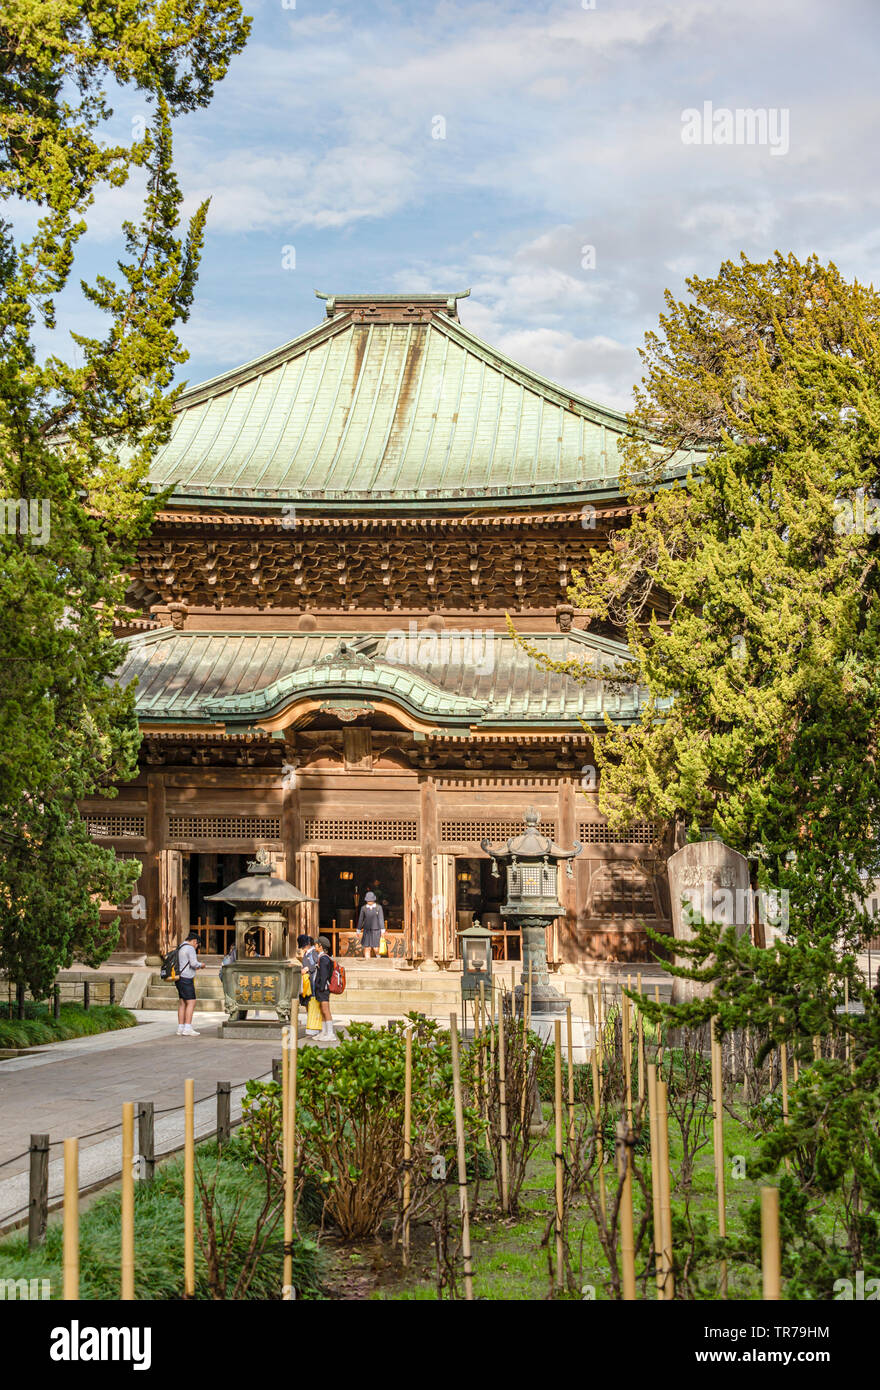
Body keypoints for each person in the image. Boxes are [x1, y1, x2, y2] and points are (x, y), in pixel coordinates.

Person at [176, 930, 206, 1036]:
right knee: (191, 1002)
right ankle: (188, 1027)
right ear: (194, 941)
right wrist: (201, 965)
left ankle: (181, 1027)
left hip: (178, 977)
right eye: (197, 944)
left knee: (182, 1002)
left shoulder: (180, 947)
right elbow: (193, 963)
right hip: (186, 978)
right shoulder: (190, 948)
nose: (197, 946)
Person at [297, 933, 322, 1036]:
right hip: (307, 983)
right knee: (308, 1004)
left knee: (313, 1004)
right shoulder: (307, 953)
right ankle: (311, 1024)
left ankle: (314, 1026)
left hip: (313, 982)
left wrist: (308, 968)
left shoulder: (312, 953)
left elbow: (316, 964)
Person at [313, 936, 337, 1042]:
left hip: (323, 988)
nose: (315, 946)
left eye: (316, 944)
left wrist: (321, 987)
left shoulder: (324, 958)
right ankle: (324, 1031)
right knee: (322, 1010)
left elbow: (324, 975)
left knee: (326, 1010)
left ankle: (330, 1033)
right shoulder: (323, 957)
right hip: (321, 988)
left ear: (321, 946)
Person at [356, 890, 385, 959]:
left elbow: (381, 919)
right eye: (368, 901)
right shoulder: (363, 908)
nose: (369, 902)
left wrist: (382, 931)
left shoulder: (379, 907)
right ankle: (367, 964)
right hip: (367, 931)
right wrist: (358, 930)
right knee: (367, 948)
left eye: (371, 900)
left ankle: (379, 961)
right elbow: (360, 919)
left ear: (374, 900)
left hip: (376, 930)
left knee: (376, 948)